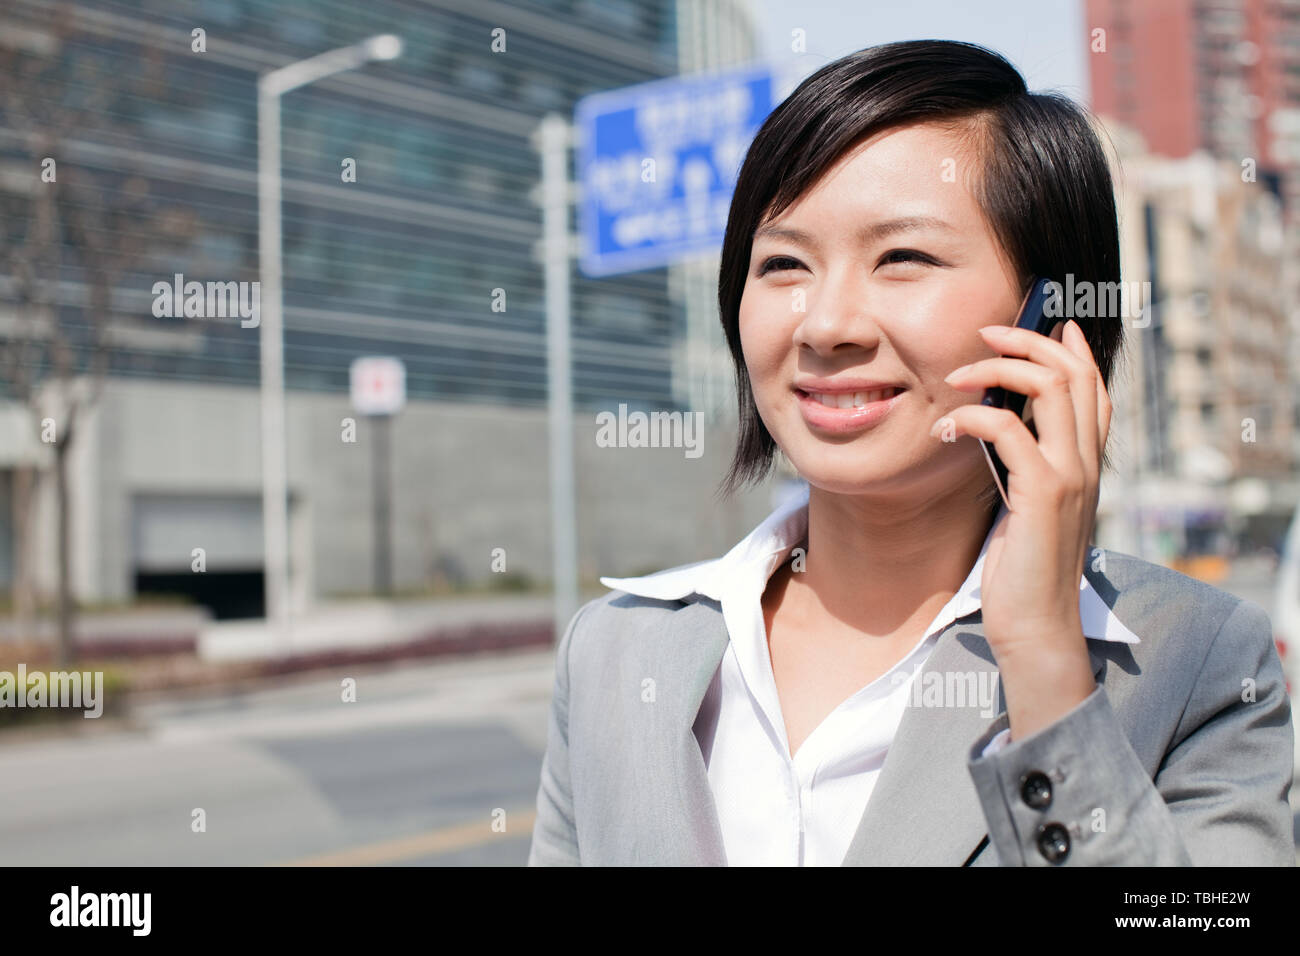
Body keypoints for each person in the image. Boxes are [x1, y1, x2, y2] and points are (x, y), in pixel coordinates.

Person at [527, 40, 1295, 866]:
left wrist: (1043, 664)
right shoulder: (616, 652)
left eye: (903, 259)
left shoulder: (1198, 663)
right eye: (783, 263)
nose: (825, 325)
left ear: (1049, 318)